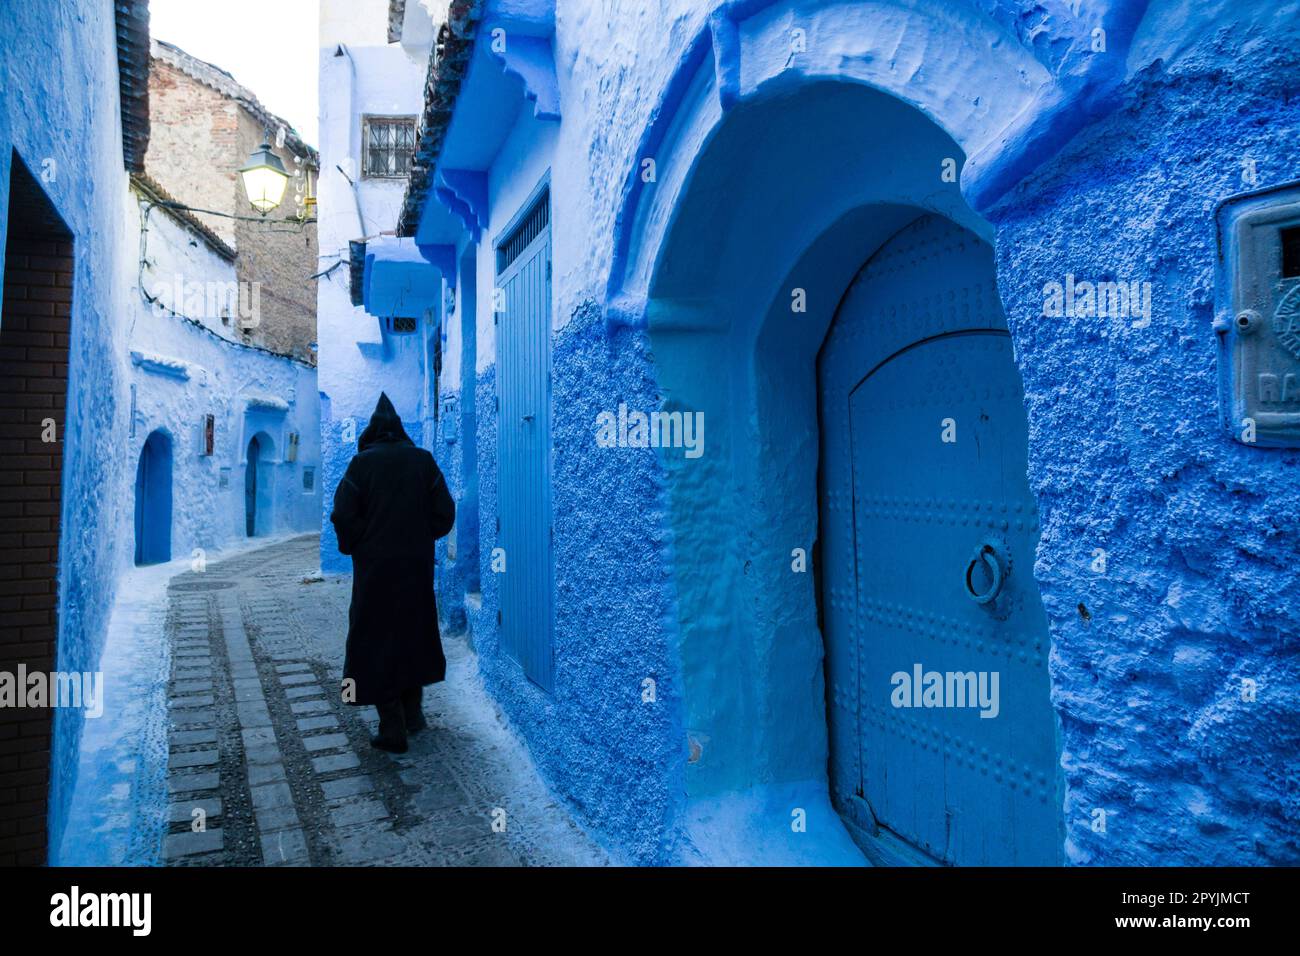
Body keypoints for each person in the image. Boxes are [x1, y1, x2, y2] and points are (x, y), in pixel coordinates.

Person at [330, 392, 456, 753]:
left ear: (371, 434)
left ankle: (391, 726)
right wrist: (419, 537)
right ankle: (413, 714)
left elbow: (343, 515)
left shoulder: (361, 465)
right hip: (414, 570)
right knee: (411, 634)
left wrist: (358, 544)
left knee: (375, 639)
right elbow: (444, 512)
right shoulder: (423, 461)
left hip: (375, 574)